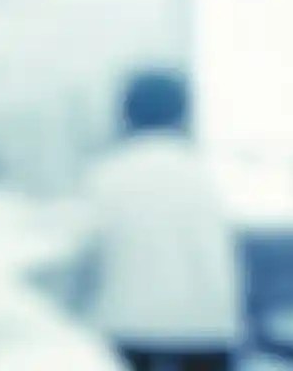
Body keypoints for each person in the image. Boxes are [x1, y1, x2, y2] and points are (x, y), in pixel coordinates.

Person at [79, 69, 242, 371]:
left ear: (124, 115)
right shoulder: (205, 174)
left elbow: (84, 254)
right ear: (183, 115)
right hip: (210, 331)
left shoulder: (108, 175)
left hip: (128, 331)